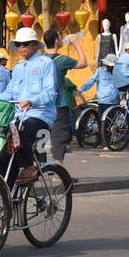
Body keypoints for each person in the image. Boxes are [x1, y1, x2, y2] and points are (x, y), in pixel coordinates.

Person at [0, 27, 56, 185]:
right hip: (18, 116)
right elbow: (9, 93)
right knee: (3, 152)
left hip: (40, 115)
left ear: (35, 44)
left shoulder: (46, 63)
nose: (21, 47)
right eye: (19, 44)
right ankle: (7, 197)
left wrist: (32, 101)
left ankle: (29, 167)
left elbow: (50, 92)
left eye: (26, 43)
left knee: (20, 130)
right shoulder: (17, 67)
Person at [43, 28, 88, 166]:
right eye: (60, 36)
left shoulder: (40, 59)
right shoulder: (62, 60)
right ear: (56, 40)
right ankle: (58, 172)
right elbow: (83, 63)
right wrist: (76, 44)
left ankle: (36, 170)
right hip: (58, 104)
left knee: (40, 135)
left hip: (42, 103)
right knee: (59, 137)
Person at [78, 54, 121, 151]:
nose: (109, 66)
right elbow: (91, 81)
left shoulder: (118, 72)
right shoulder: (100, 71)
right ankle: (103, 142)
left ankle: (107, 142)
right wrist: (81, 89)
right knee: (102, 122)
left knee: (110, 123)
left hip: (114, 101)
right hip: (103, 101)